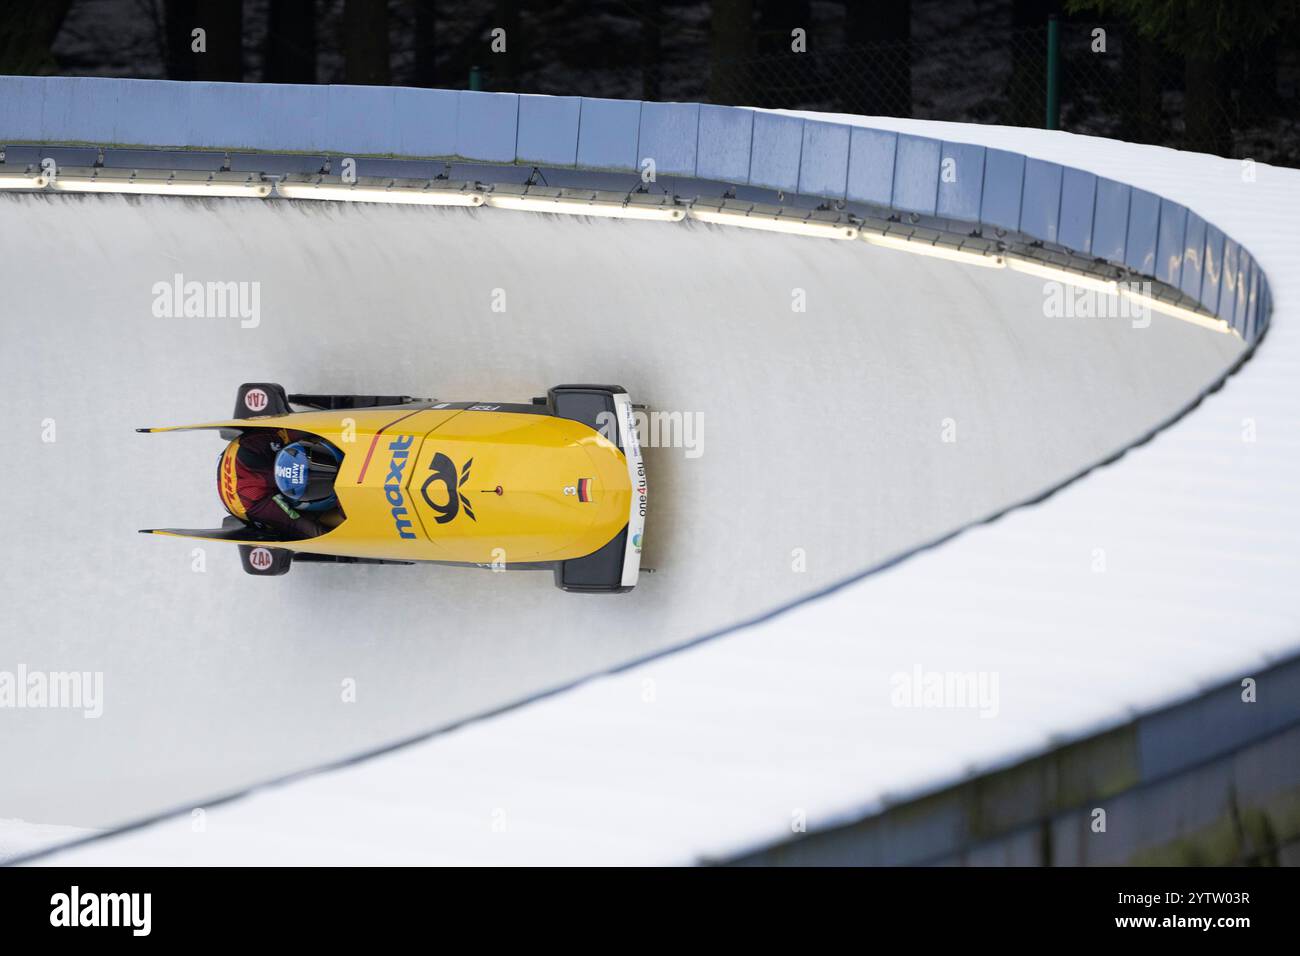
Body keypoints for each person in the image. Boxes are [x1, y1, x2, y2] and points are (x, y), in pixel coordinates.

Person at [217, 428, 343, 538]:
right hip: (248, 503)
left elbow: (295, 430)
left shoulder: (252, 446)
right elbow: (296, 522)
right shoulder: (254, 503)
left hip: (248, 452)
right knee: (308, 520)